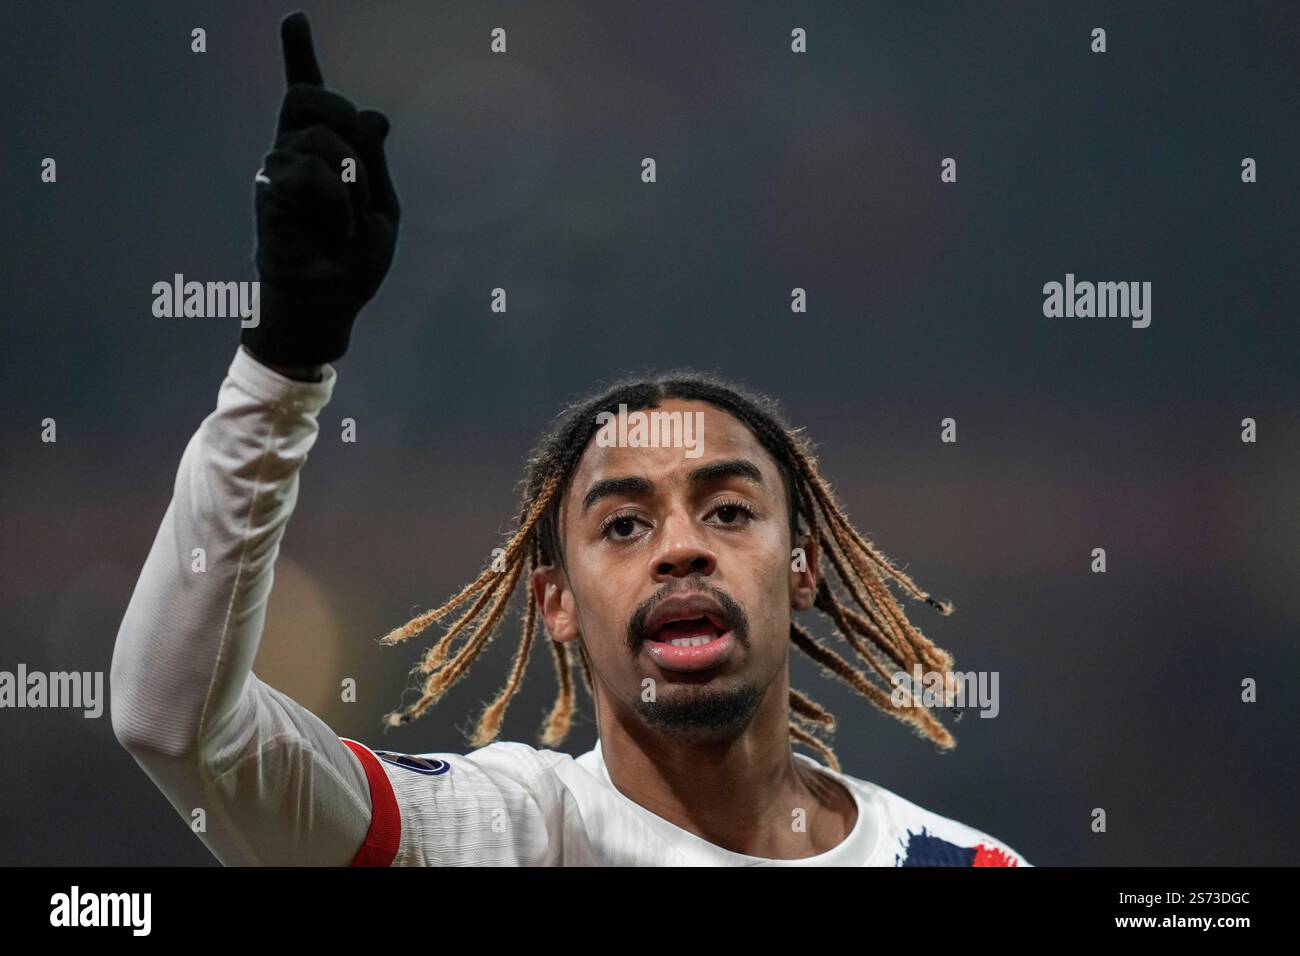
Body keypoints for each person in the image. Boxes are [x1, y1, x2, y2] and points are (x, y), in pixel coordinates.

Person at [110, 11, 1030, 867]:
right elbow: (175, 722)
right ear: (554, 601)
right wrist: (282, 365)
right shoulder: (497, 835)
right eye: (623, 524)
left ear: (802, 568)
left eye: (729, 509)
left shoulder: (967, 866)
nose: (681, 548)